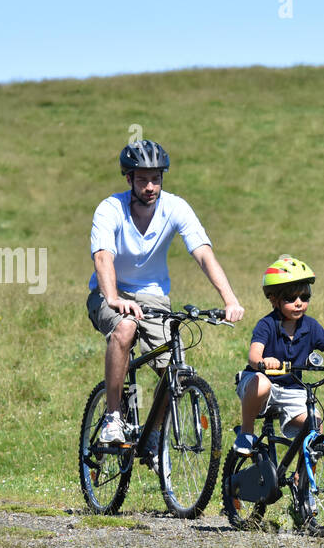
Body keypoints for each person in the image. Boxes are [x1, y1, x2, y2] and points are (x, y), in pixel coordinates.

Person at [86, 139, 243, 445]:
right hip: (109, 293)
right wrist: (114, 298)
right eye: (142, 179)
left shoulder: (176, 207)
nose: (150, 187)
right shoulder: (110, 208)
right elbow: (103, 256)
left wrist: (230, 299)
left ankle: (154, 435)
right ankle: (113, 417)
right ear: (129, 179)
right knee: (125, 328)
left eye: (155, 179)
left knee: (176, 374)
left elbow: (203, 253)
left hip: (154, 297)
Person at [234, 255, 324, 453]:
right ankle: (246, 433)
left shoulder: (310, 326)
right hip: (259, 385)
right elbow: (253, 356)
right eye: (291, 298)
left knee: (315, 424)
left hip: (293, 389)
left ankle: (302, 478)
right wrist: (263, 361)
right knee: (263, 382)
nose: (299, 303)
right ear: (274, 299)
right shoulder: (266, 325)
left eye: (305, 297)